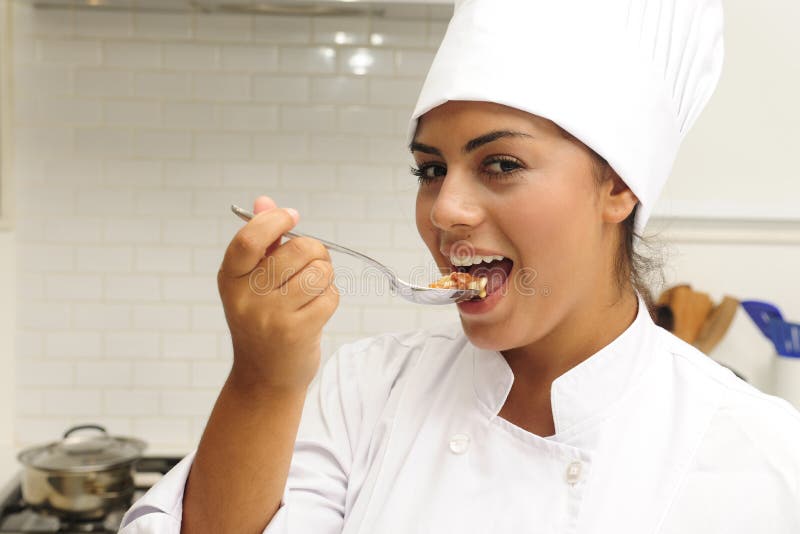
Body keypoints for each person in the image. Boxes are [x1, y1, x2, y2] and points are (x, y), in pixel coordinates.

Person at [121, 1, 800, 532]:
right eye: (430, 168)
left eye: (500, 164)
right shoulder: (364, 392)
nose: (444, 209)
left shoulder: (763, 459)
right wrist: (263, 377)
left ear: (618, 187)